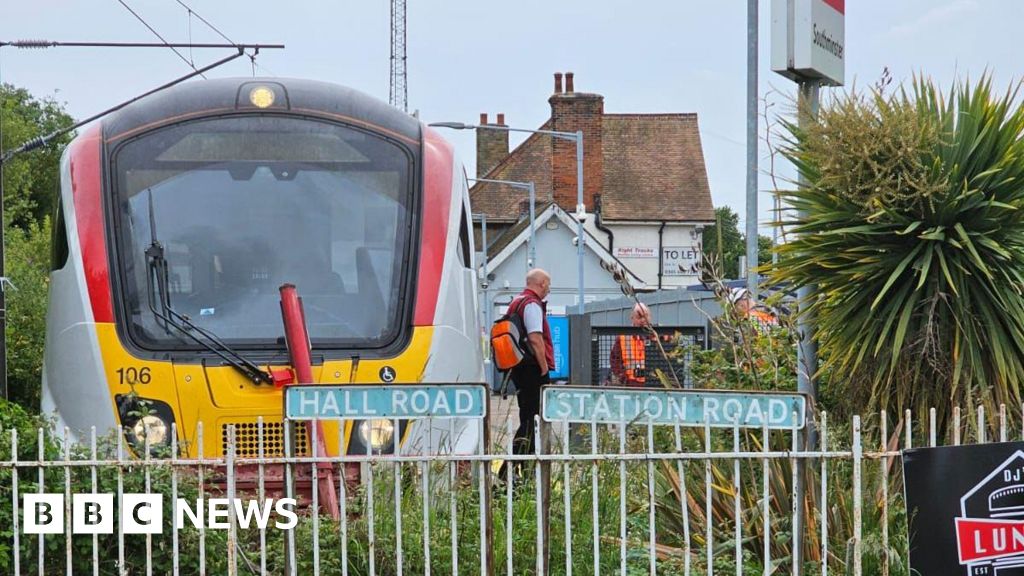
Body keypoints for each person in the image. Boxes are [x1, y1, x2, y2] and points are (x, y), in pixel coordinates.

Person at [506, 268, 554, 467]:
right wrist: (544, 368)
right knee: (533, 421)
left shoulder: (516, 302)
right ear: (541, 283)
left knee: (526, 416)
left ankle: (522, 468)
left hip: (518, 367)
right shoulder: (532, 304)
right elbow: (535, 339)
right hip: (532, 369)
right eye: (548, 285)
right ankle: (512, 468)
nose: (548, 290)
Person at [610, 302, 652, 387]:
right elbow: (615, 361)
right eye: (639, 317)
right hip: (630, 385)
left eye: (646, 316)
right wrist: (623, 378)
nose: (643, 320)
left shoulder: (657, 336)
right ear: (632, 318)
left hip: (652, 384)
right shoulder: (623, 338)